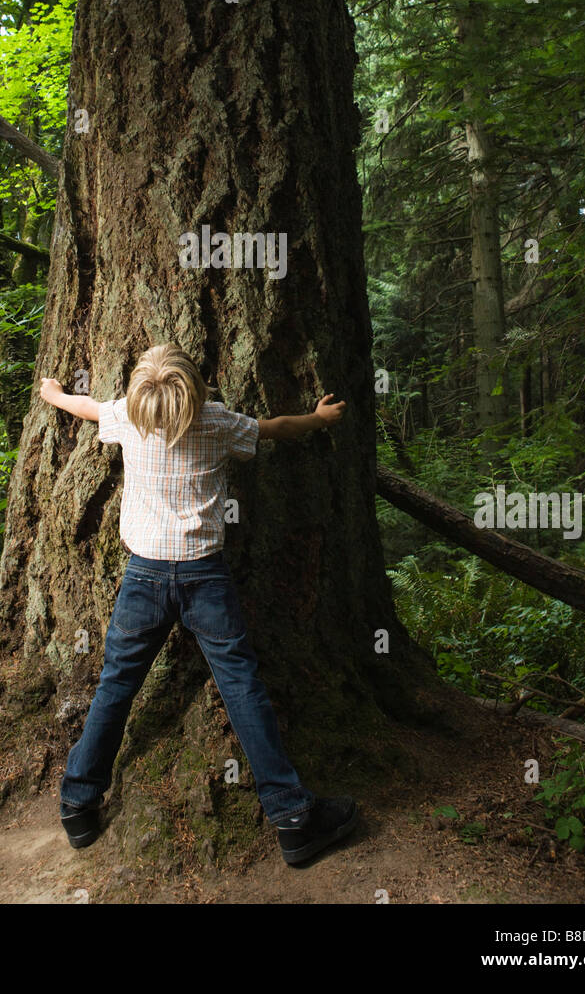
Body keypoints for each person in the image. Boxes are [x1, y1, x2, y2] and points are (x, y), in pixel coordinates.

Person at [39, 341, 358, 866]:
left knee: (116, 684)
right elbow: (277, 428)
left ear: (142, 390)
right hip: (204, 575)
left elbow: (88, 406)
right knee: (241, 686)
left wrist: (53, 394)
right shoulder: (216, 422)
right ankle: (293, 820)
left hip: (142, 575)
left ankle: (78, 802)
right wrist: (320, 418)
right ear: (195, 388)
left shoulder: (127, 416)